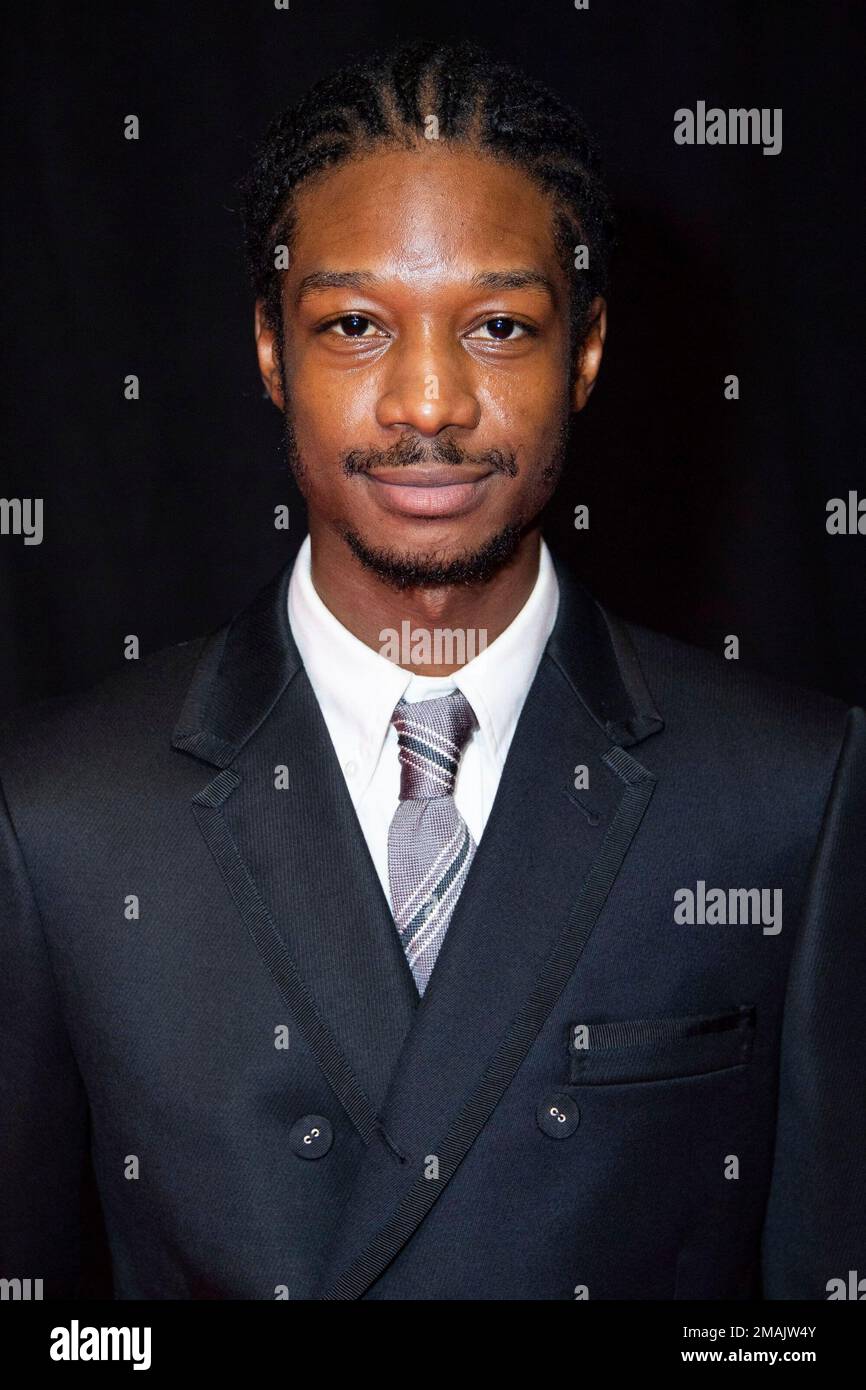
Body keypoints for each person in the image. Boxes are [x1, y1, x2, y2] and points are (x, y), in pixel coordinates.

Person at [1, 39, 863, 1302]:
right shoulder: (58, 813)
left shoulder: (791, 791)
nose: (427, 403)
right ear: (266, 349)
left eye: (497, 326)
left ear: (583, 350)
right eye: (353, 325)